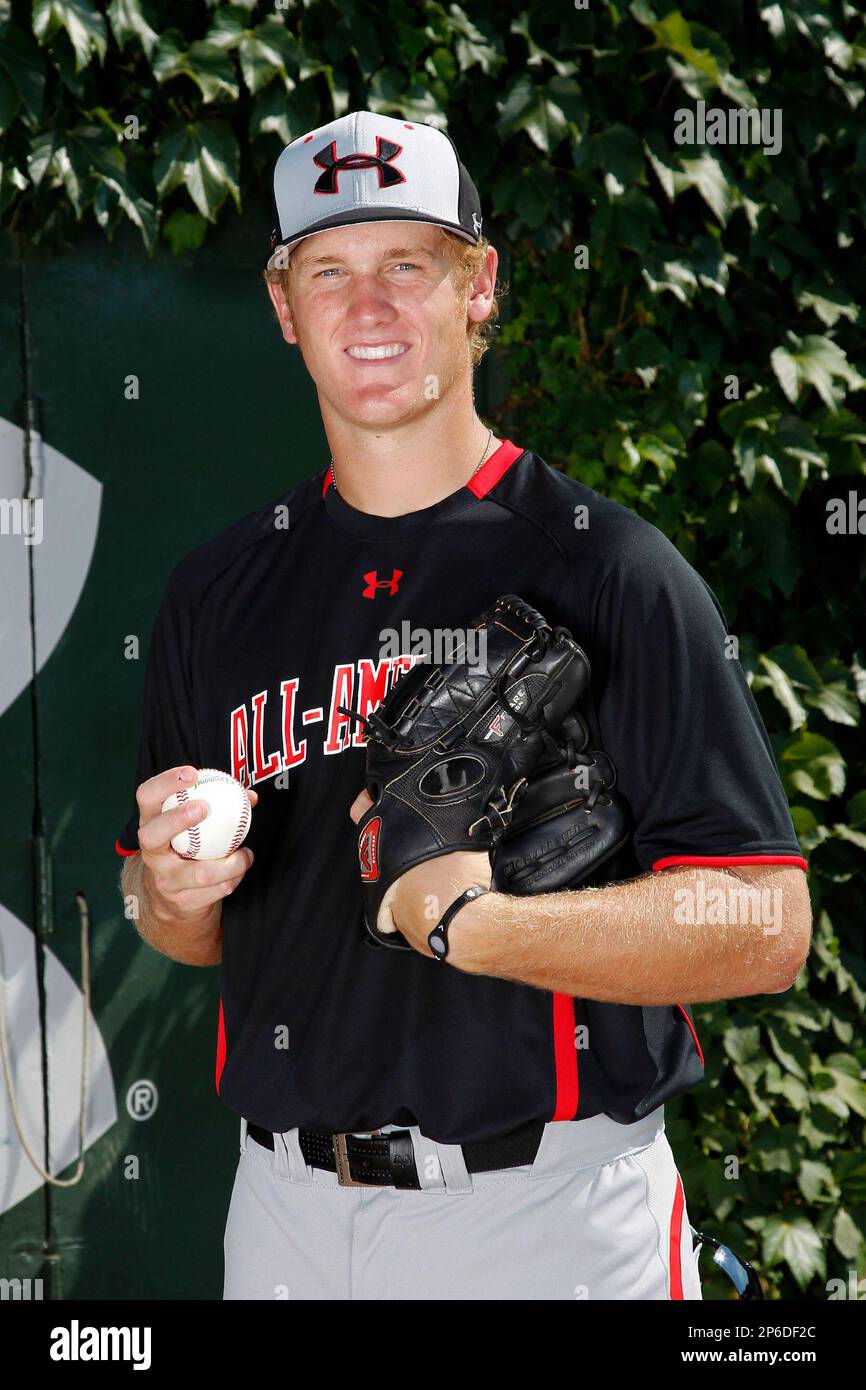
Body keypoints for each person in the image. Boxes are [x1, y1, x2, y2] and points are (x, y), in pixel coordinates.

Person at [117, 110, 811, 1301]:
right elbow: (174, 925)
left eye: (408, 263)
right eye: (327, 270)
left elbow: (762, 925)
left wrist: (478, 924)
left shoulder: (608, 571)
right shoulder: (216, 591)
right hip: (281, 1213)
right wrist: (166, 889)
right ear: (284, 308)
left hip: (541, 1218)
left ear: (477, 284)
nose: (367, 305)